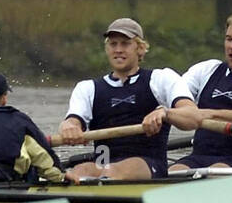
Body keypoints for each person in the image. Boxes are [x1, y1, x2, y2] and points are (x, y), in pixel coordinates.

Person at [154, 13, 232, 169]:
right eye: (229, 39)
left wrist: (207, 114)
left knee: (216, 172)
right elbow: (175, 95)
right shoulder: (207, 70)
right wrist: (162, 111)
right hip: (198, 157)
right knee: (172, 173)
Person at [60, 19, 180, 181]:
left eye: (125, 44)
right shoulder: (88, 88)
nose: (118, 50)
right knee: (78, 171)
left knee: (112, 172)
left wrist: (165, 113)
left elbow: (189, 114)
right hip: (103, 164)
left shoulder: (160, 79)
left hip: (147, 164)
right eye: (113, 44)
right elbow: (73, 120)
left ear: (140, 49)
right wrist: (69, 126)